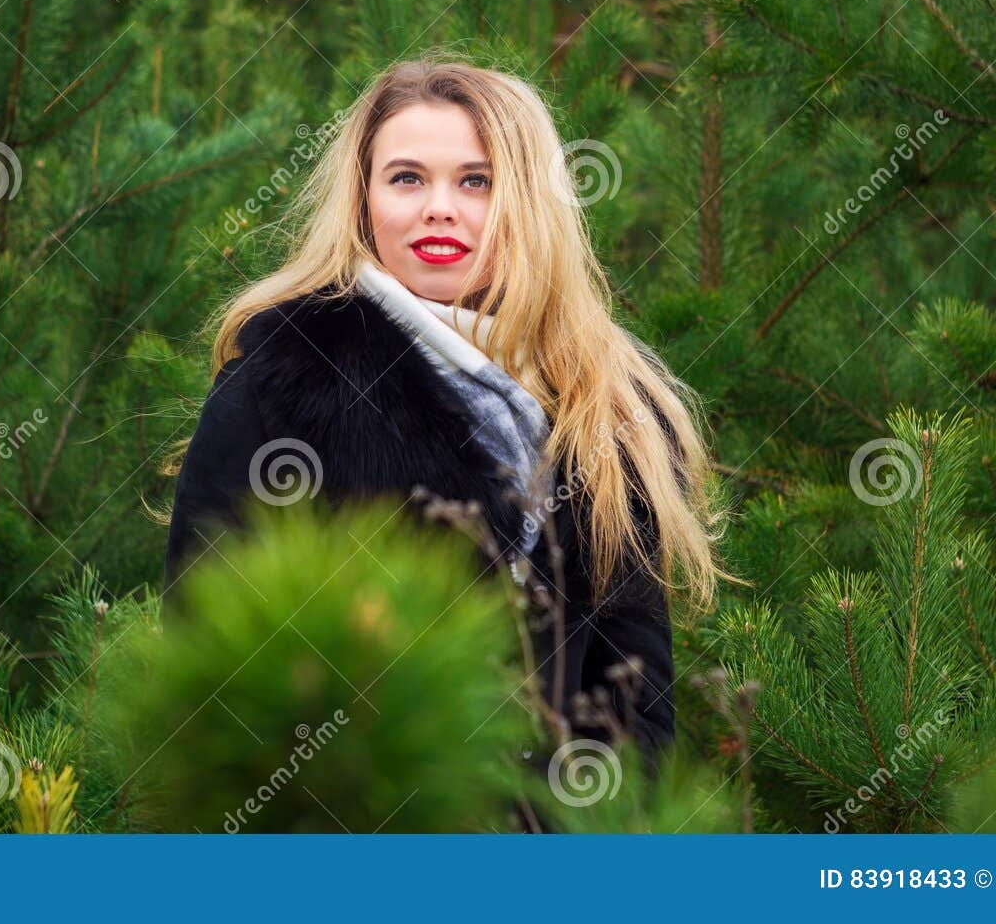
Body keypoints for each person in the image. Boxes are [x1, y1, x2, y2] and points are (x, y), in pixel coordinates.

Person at [161, 56, 736, 760]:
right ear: (363, 201)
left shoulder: (608, 406)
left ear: (528, 200)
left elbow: (637, 716)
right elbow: (207, 664)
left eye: (476, 181)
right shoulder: (283, 383)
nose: (440, 207)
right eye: (406, 178)